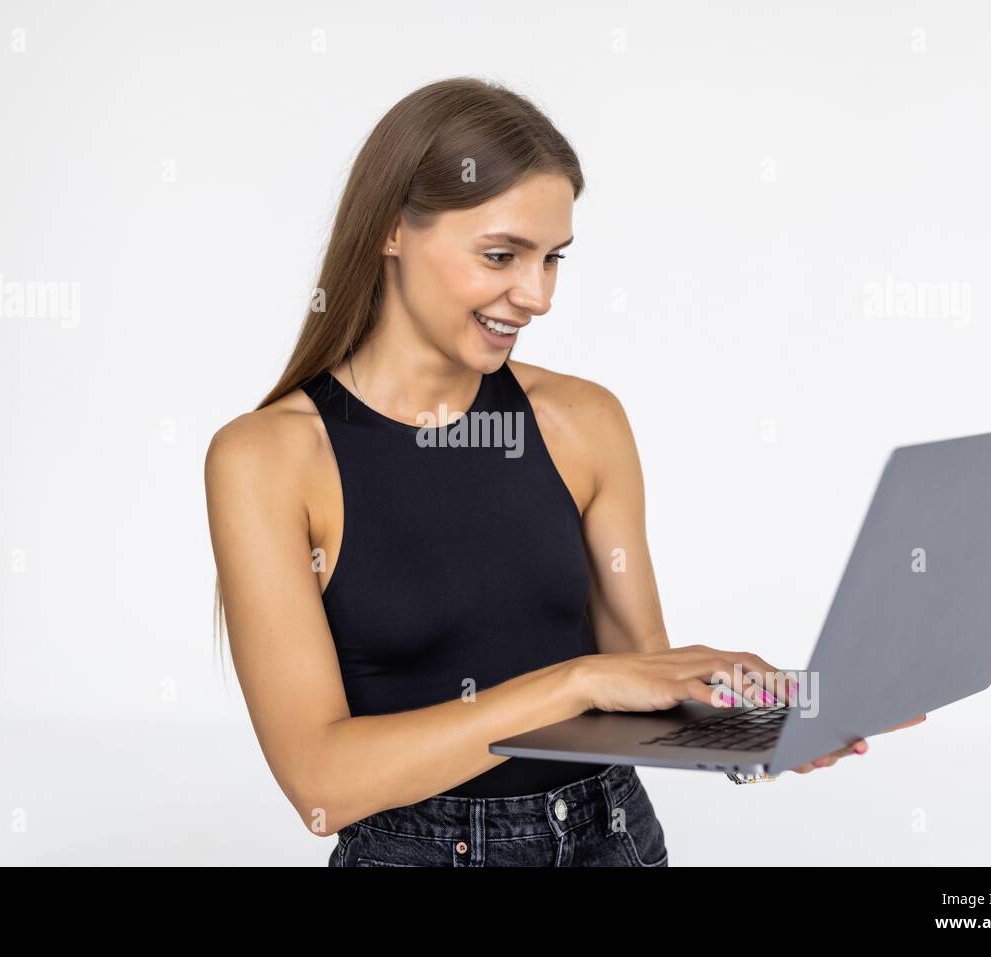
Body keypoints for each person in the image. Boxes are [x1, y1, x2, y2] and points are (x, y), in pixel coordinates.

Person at [204, 76, 924, 867]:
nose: (537, 295)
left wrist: (763, 722)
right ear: (392, 231)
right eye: (501, 255)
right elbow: (322, 784)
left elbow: (640, 680)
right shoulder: (267, 459)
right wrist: (576, 683)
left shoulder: (584, 421)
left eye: (553, 259)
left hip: (614, 836)